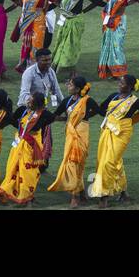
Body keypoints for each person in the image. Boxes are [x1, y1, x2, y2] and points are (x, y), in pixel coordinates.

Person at [87, 76, 139, 207]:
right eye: (120, 82)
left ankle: (104, 196)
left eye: (122, 83)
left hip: (122, 134)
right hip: (107, 131)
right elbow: (102, 109)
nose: (119, 84)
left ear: (130, 87)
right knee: (111, 161)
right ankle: (123, 192)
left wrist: (130, 121)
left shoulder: (135, 101)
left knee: (109, 162)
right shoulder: (113, 96)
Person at [0, 91, 57, 206]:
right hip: (19, 144)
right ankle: (19, 195)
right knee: (14, 168)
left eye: (31, 99)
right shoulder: (22, 110)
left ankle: (27, 197)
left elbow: (53, 118)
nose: (28, 100)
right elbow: (12, 120)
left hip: (32, 146)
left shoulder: (43, 114)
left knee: (29, 171)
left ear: (37, 103)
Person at [47, 76, 100, 208]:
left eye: (70, 85)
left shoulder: (88, 101)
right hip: (70, 135)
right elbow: (55, 114)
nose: (68, 86)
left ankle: (76, 195)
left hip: (82, 133)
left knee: (77, 163)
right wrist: (66, 119)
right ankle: (78, 194)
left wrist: (84, 117)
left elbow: (98, 111)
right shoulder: (67, 101)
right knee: (73, 164)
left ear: (77, 89)